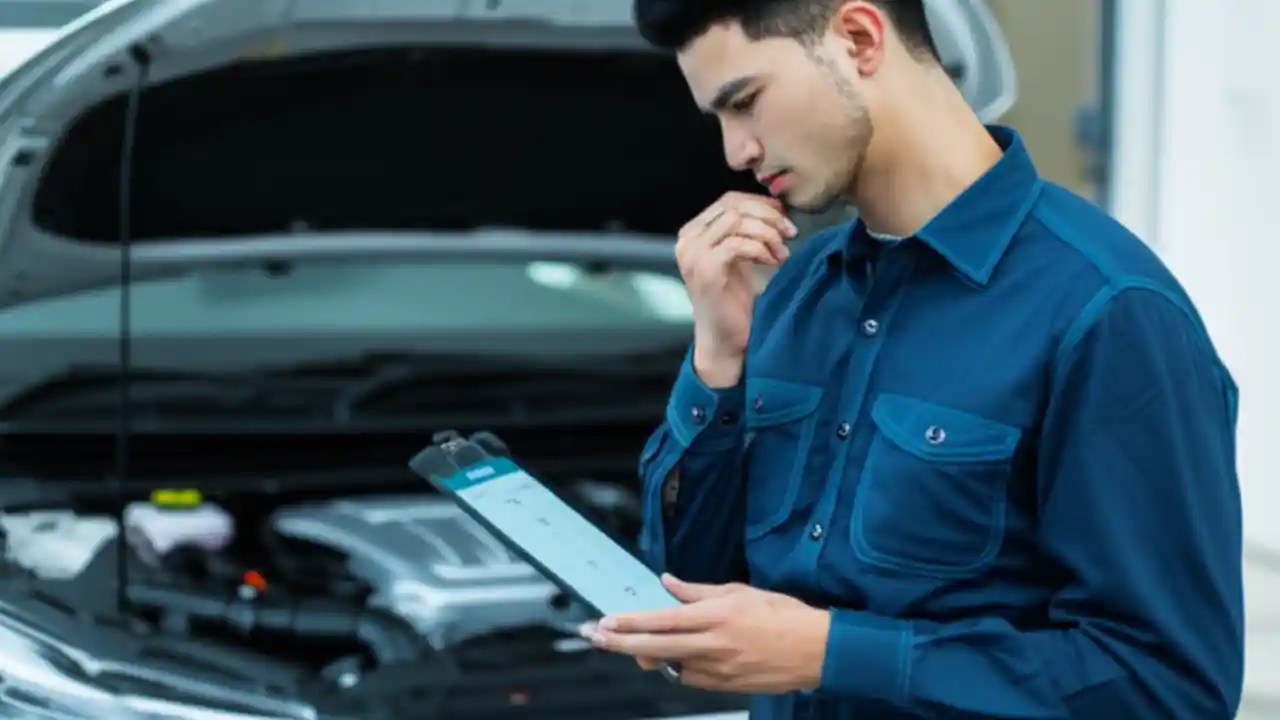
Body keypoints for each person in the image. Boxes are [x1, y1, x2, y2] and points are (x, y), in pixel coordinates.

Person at [575, 1, 1246, 718]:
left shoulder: (1109, 312)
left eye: (744, 102)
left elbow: (1167, 687)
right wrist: (719, 358)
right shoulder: (792, 289)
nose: (736, 150)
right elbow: (689, 587)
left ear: (860, 38)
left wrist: (831, 652)